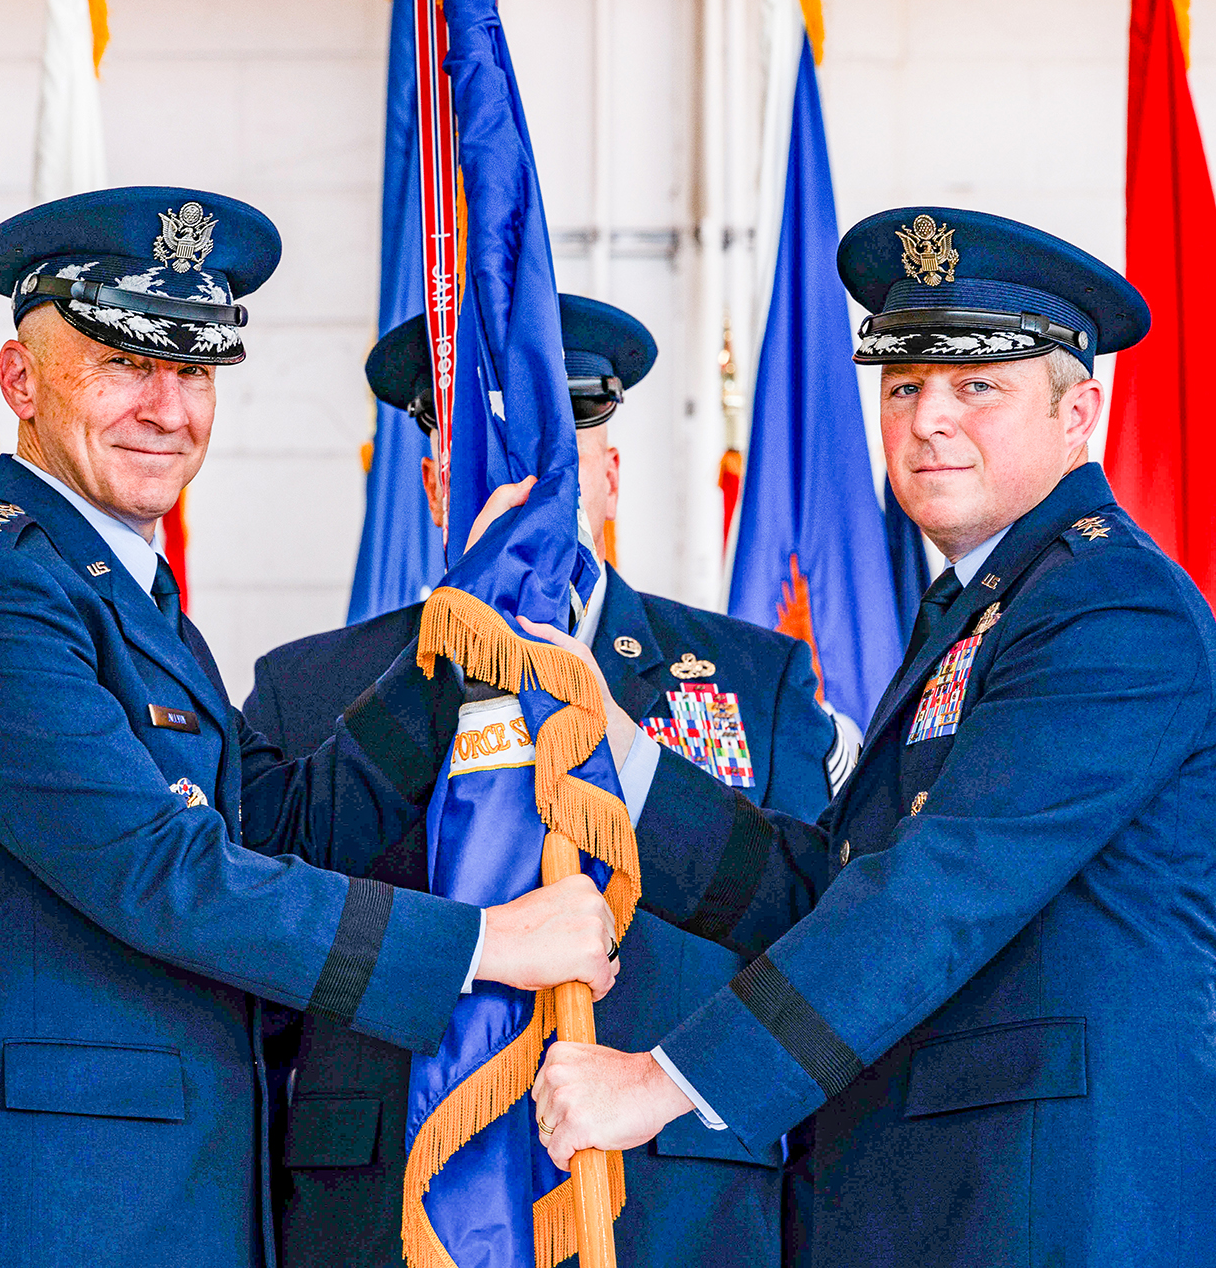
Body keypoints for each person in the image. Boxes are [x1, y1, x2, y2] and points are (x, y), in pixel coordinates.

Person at [0, 188, 623, 1268]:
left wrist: (457, 641)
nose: (167, 407)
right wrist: (490, 942)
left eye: (191, 370)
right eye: (121, 362)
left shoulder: (131, 601)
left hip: (157, 1206)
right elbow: (166, 872)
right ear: (19, 380)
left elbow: (282, 824)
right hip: (27, 1212)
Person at [527, 208, 1216, 1267]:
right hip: (951, 1207)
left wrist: (664, 1081)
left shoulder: (1112, 609)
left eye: (976, 384)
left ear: (1078, 414)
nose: (928, 417)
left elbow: (938, 888)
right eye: (901, 385)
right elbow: (830, 883)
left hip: (1073, 1216)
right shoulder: (982, 607)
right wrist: (613, 758)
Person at [246, 296, 844, 1267]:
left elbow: (818, 954)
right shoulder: (306, 689)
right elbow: (260, 965)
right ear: (439, 484)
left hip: (679, 1212)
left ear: (608, 473)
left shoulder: (753, 681)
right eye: (490, 454)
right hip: (387, 1213)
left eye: (557, 455)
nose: (528, 487)